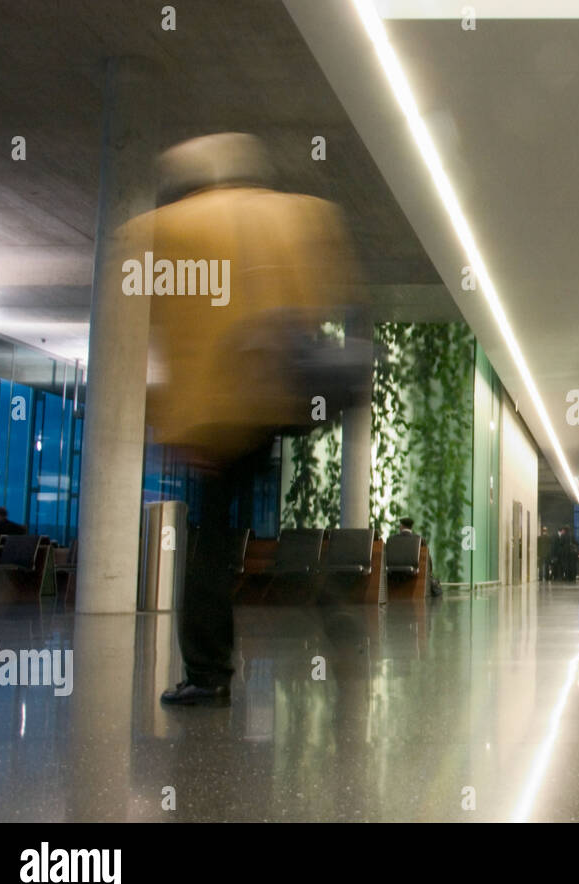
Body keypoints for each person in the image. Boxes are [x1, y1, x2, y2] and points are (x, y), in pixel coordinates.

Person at [135, 133, 366, 706]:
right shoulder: (295, 217)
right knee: (265, 534)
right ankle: (332, 609)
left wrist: (177, 421)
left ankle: (208, 672)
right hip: (282, 393)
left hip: (220, 411)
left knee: (211, 543)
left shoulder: (172, 229)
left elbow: (176, 332)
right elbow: (320, 301)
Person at [396, 517, 442, 597]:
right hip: (415, 574)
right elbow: (428, 559)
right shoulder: (419, 540)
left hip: (394, 572)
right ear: (411, 527)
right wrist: (429, 572)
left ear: (401, 526)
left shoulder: (392, 540)